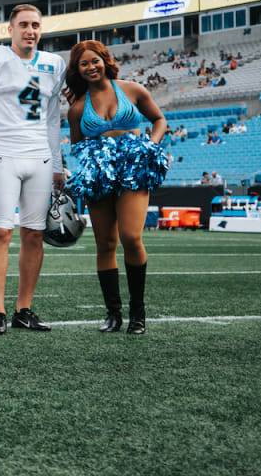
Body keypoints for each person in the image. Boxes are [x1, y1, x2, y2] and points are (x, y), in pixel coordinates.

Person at [0, 4, 65, 335]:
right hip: (2, 152)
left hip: (39, 157)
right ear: (11, 29)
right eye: (23, 24)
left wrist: (57, 163)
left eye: (35, 25)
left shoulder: (54, 64)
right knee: (1, 232)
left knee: (34, 234)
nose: (30, 30)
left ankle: (24, 309)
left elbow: (52, 118)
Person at [64, 41, 167, 335]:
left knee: (131, 237)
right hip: (99, 173)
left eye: (94, 60)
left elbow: (159, 120)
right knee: (105, 244)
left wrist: (149, 145)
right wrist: (94, 159)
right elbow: (76, 145)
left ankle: (138, 312)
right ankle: (113, 314)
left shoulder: (132, 90)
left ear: (104, 60)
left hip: (133, 167)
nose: (91, 67)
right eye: (84, 64)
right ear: (78, 70)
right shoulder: (77, 108)